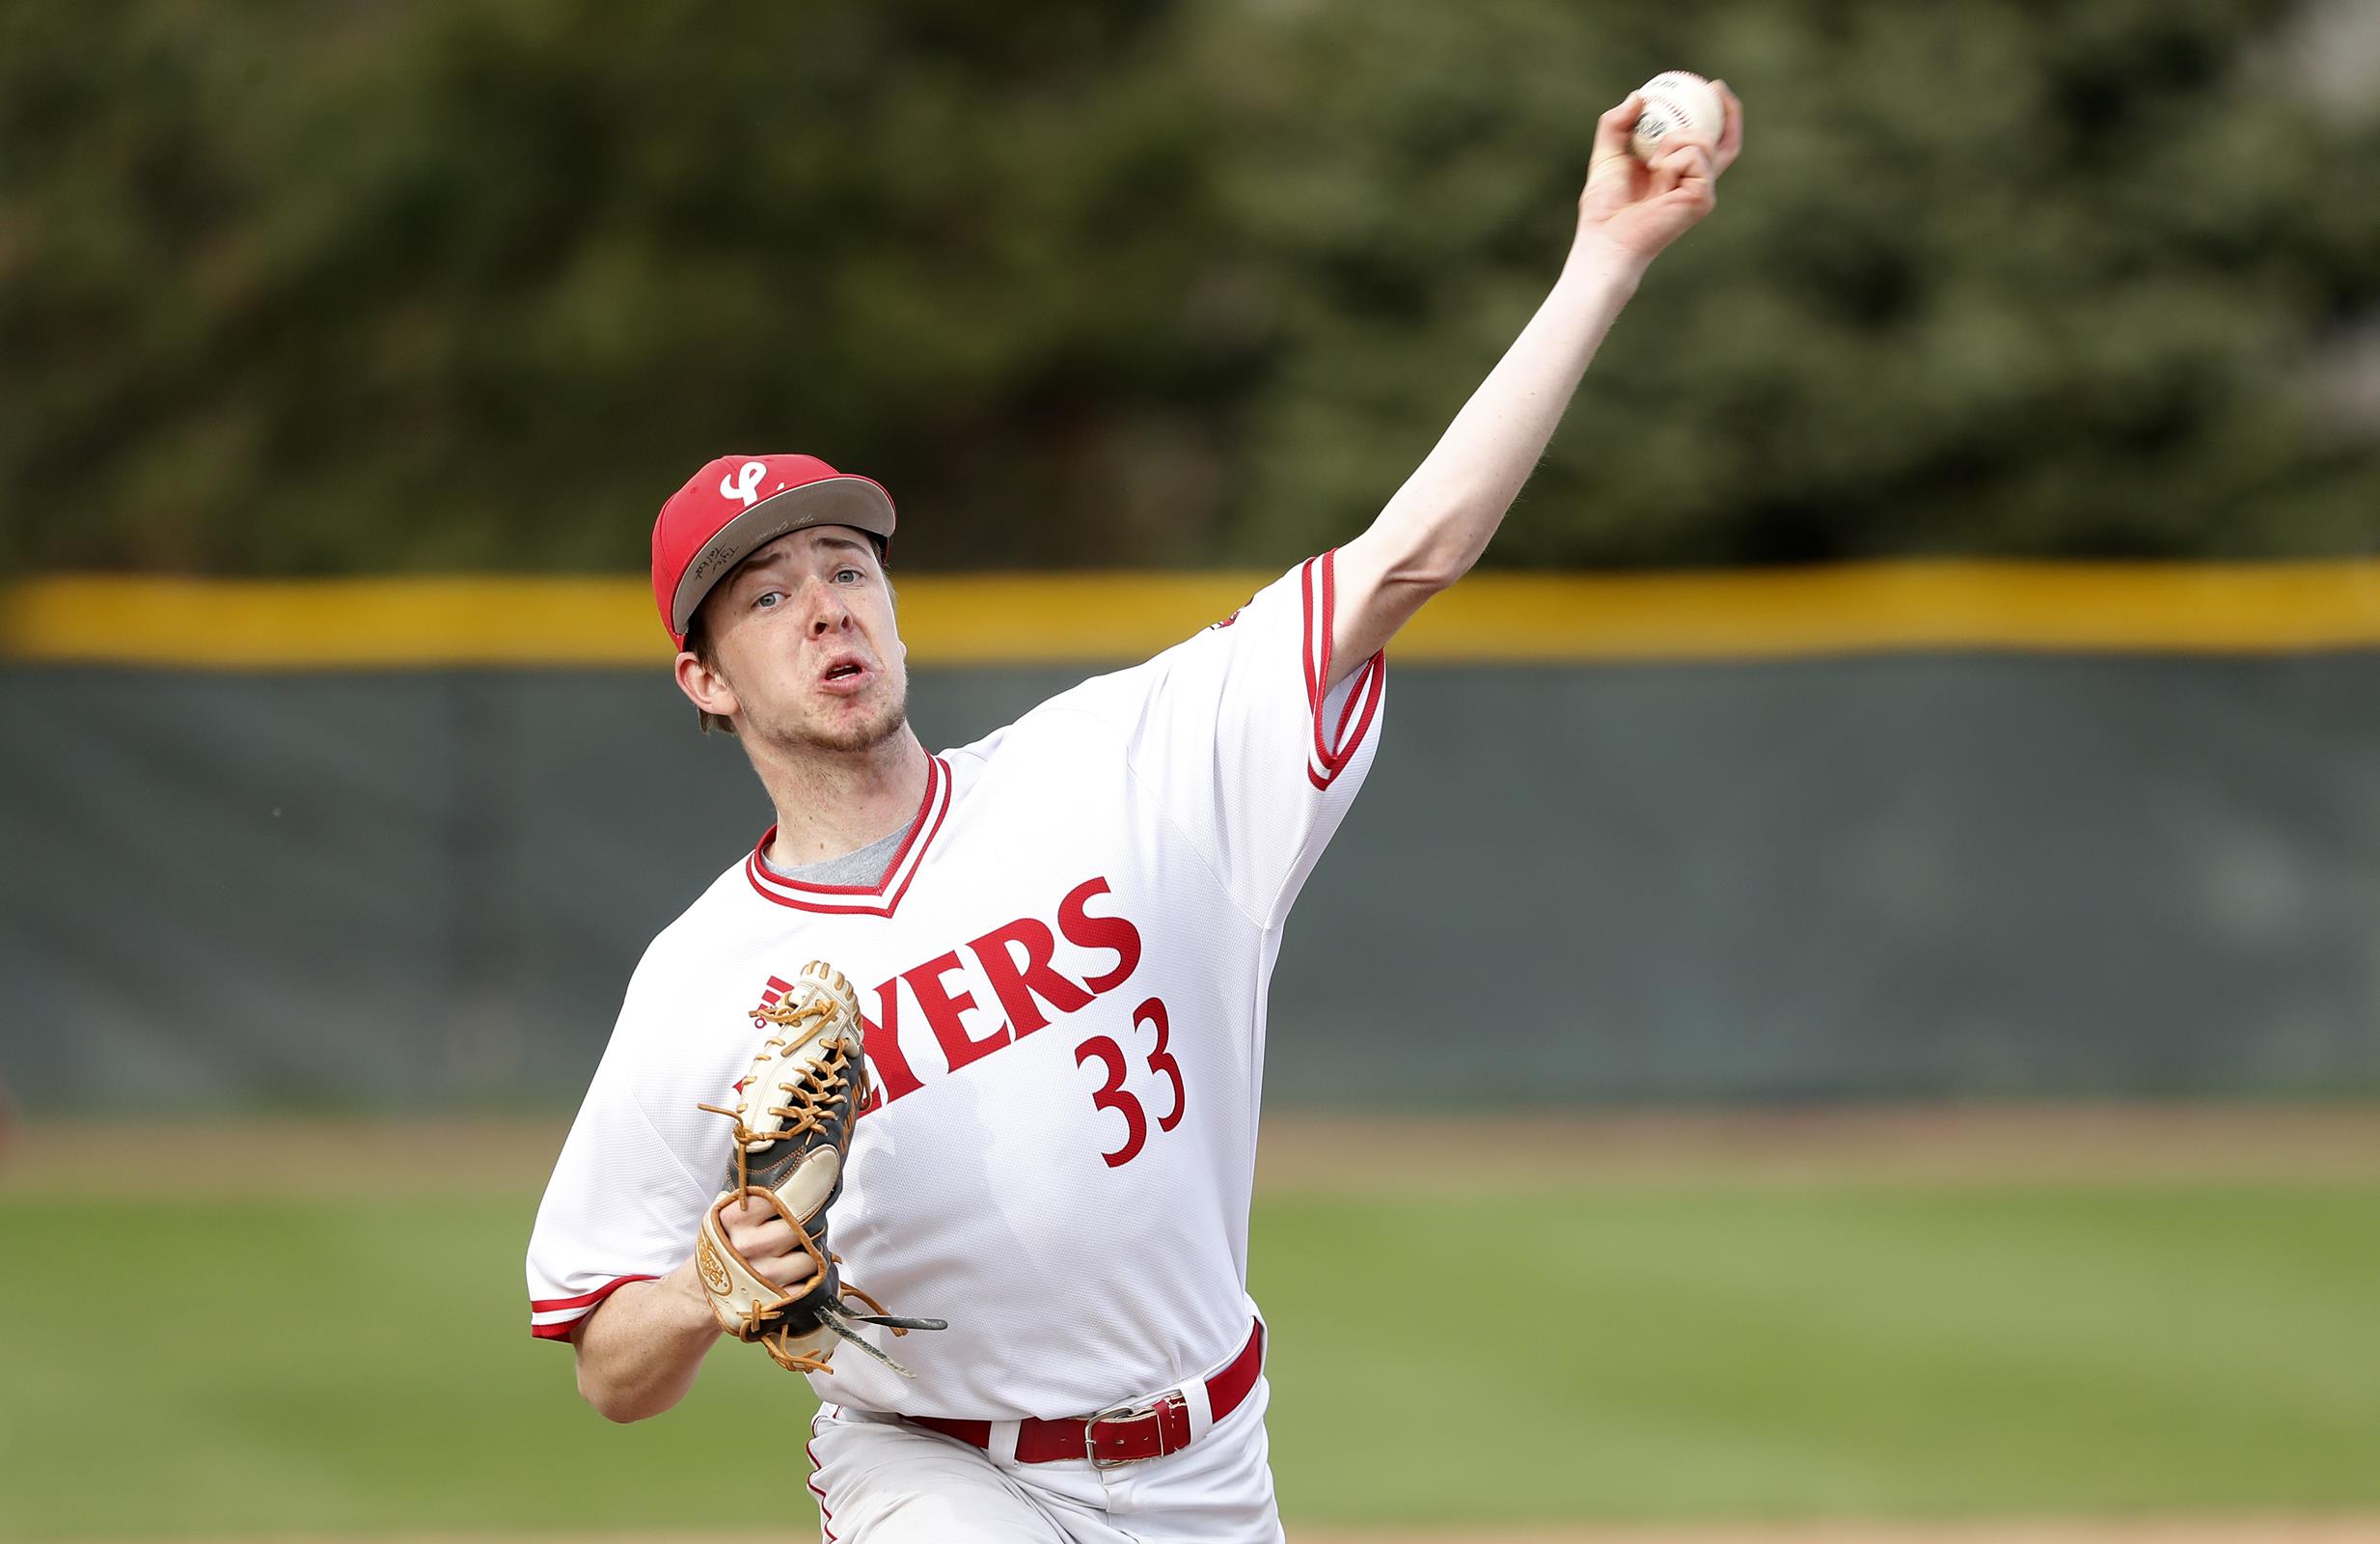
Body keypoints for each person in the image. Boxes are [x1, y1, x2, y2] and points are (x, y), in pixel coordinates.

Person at [526, 84, 1742, 1543]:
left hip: (1210, 1463)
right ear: (702, 678)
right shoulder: (698, 983)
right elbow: (608, 1364)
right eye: (766, 597)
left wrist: (1603, 260)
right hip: (933, 1462)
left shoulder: (1120, 765)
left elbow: (1409, 556)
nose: (826, 612)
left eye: (849, 568)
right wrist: (697, 1290)